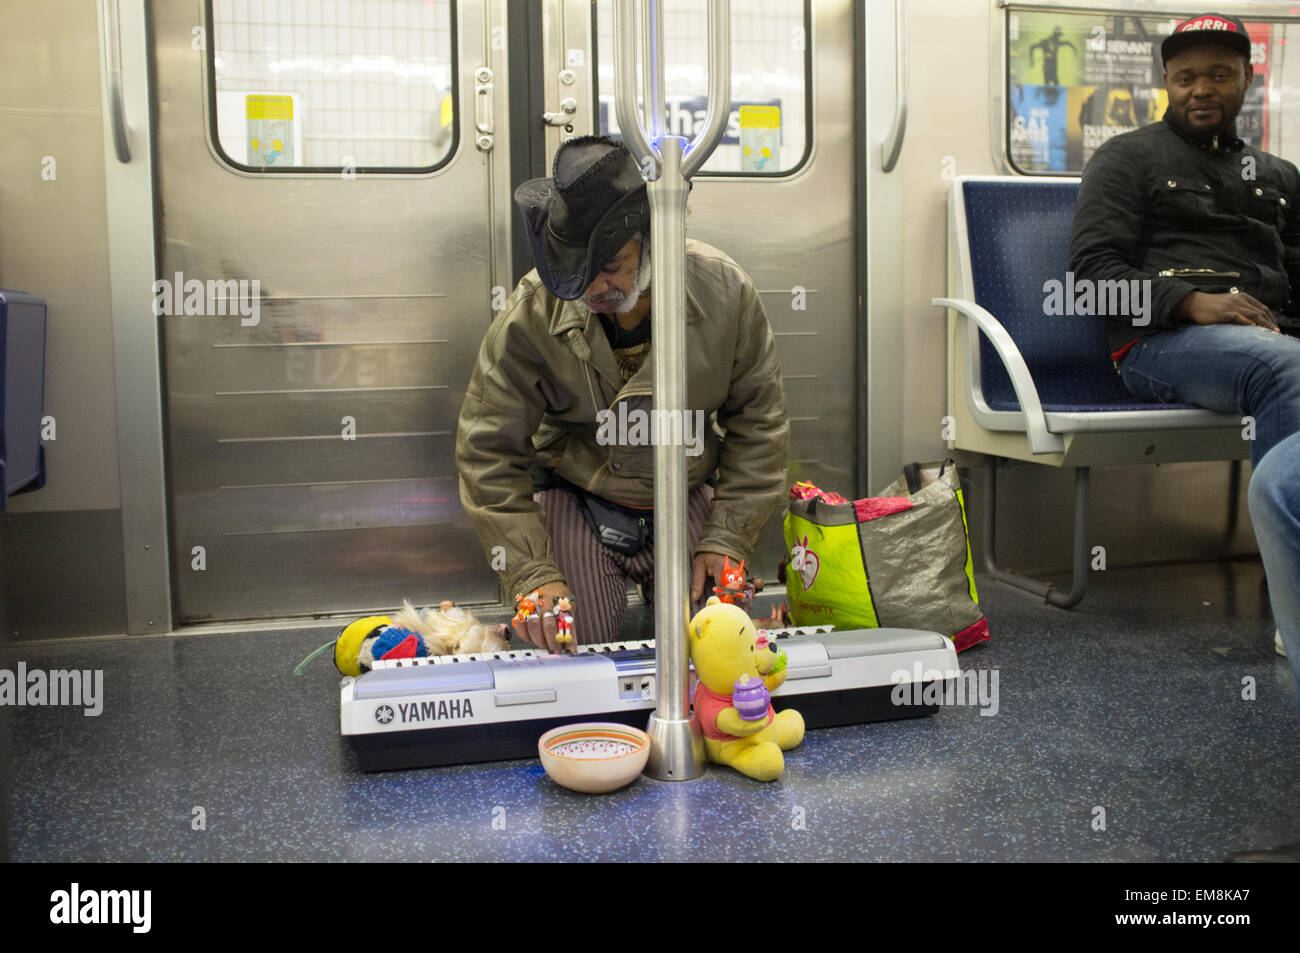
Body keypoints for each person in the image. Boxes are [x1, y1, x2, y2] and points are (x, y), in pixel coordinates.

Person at [455, 135, 789, 653]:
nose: (594, 287)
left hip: (684, 486)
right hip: (579, 495)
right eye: (578, 271)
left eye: (612, 266)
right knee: (568, 642)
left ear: (652, 242)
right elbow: (487, 452)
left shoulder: (727, 293)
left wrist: (728, 538)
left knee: (718, 644)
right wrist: (531, 570)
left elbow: (760, 425)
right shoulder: (529, 314)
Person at [1069, 12, 1300, 700]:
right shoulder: (1128, 159)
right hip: (1159, 344)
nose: (1204, 88)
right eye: (1187, 76)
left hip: (1270, 339)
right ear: (1165, 83)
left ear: (1247, 80)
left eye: (1220, 74)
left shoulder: (1282, 176)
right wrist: (1192, 301)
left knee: (1280, 358)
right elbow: (1089, 279)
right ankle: (1293, 612)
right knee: (1282, 366)